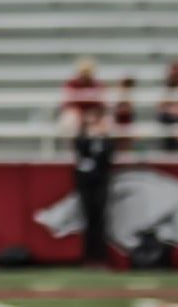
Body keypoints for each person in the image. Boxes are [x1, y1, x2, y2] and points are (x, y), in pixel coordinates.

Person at [73, 105, 114, 267]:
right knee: (87, 219)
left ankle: (102, 257)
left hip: (100, 182)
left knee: (101, 220)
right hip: (86, 183)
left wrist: (101, 138)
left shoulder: (105, 141)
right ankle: (87, 257)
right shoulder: (82, 138)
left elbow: (108, 159)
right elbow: (80, 153)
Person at [59, 57, 106, 134]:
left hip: (92, 113)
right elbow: (67, 103)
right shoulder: (72, 84)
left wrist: (93, 113)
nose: (85, 75)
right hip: (75, 112)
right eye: (84, 71)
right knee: (70, 120)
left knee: (100, 124)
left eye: (87, 72)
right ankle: (72, 143)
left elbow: (101, 104)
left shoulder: (97, 84)